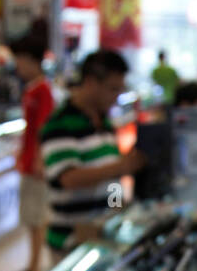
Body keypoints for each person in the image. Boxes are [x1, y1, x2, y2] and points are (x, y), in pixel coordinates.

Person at [40, 50, 146, 256]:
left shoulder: (105, 123)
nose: (116, 96)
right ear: (90, 82)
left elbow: (112, 179)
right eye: (112, 89)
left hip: (100, 238)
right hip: (70, 243)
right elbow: (67, 178)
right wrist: (121, 167)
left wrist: (119, 208)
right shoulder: (60, 123)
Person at [9, 37, 55, 271]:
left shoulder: (42, 90)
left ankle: (34, 268)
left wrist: (38, 159)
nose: (17, 66)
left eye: (20, 61)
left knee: (36, 216)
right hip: (29, 162)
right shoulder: (31, 90)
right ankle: (33, 265)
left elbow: (43, 127)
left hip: (35, 165)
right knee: (31, 217)